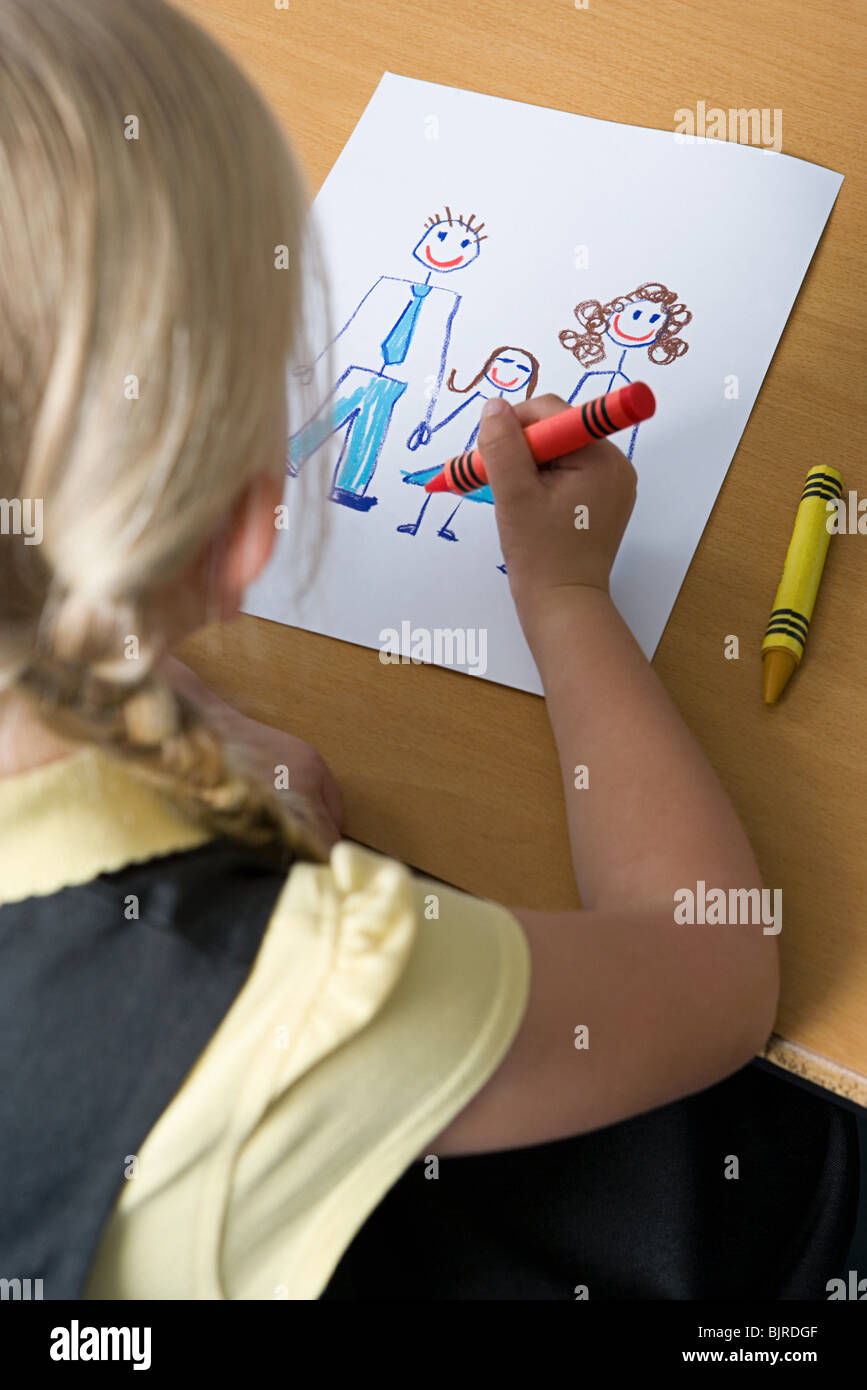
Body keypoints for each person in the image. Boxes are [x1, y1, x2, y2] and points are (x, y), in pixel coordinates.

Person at [1, 0, 851, 1303]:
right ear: (250, 529)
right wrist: (565, 598)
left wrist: (188, 737)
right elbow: (717, 965)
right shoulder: (276, 987)